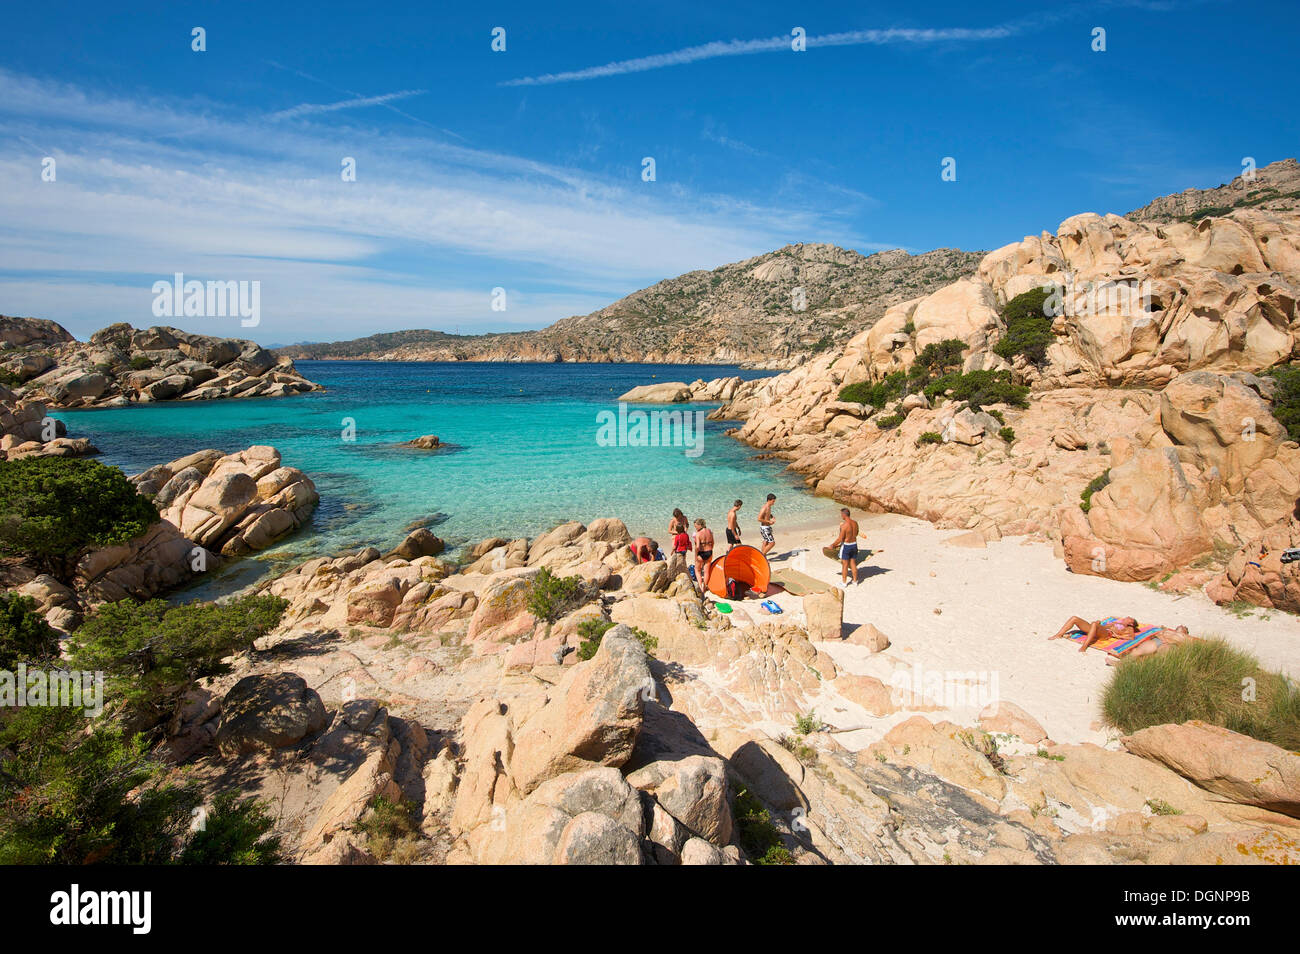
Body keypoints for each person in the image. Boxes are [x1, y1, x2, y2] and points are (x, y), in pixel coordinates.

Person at [1048, 615, 1140, 653]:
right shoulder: (1116, 622)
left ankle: (1084, 646)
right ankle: (1058, 635)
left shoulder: (1129, 628)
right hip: (1099, 629)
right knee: (1074, 618)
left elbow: (1131, 638)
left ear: (1131, 623)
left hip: (1106, 635)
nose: (1127, 617)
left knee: (1094, 625)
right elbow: (1105, 626)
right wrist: (1099, 623)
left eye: (1130, 618)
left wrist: (1118, 636)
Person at [832, 507, 860, 585]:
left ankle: (844, 583)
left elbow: (840, 539)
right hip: (854, 545)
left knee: (845, 565)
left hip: (847, 546)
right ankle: (855, 581)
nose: (841, 516)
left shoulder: (844, 525)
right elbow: (856, 533)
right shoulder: (855, 523)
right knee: (853, 563)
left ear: (844, 515)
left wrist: (832, 545)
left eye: (841, 514)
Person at [693, 518, 714, 594]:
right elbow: (712, 542)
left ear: (700, 525)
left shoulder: (698, 534)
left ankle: (700, 586)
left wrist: (695, 555)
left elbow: (698, 547)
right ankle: (704, 586)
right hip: (709, 552)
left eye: (696, 526)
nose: (695, 528)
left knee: (697, 570)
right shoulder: (709, 531)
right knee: (706, 571)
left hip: (701, 553)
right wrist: (710, 549)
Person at [668, 508, 692, 578]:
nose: (677, 518)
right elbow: (669, 531)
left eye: (678, 517)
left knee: (683, 553)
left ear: (681, 514)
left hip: (683, 536)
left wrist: (685, 530)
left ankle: (682, 568)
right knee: (675, 554)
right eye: (676, 517)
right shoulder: (673, 520)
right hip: (675, 537)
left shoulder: (684, 518)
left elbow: (687, 524)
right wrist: (678, 532)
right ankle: (675, 570)